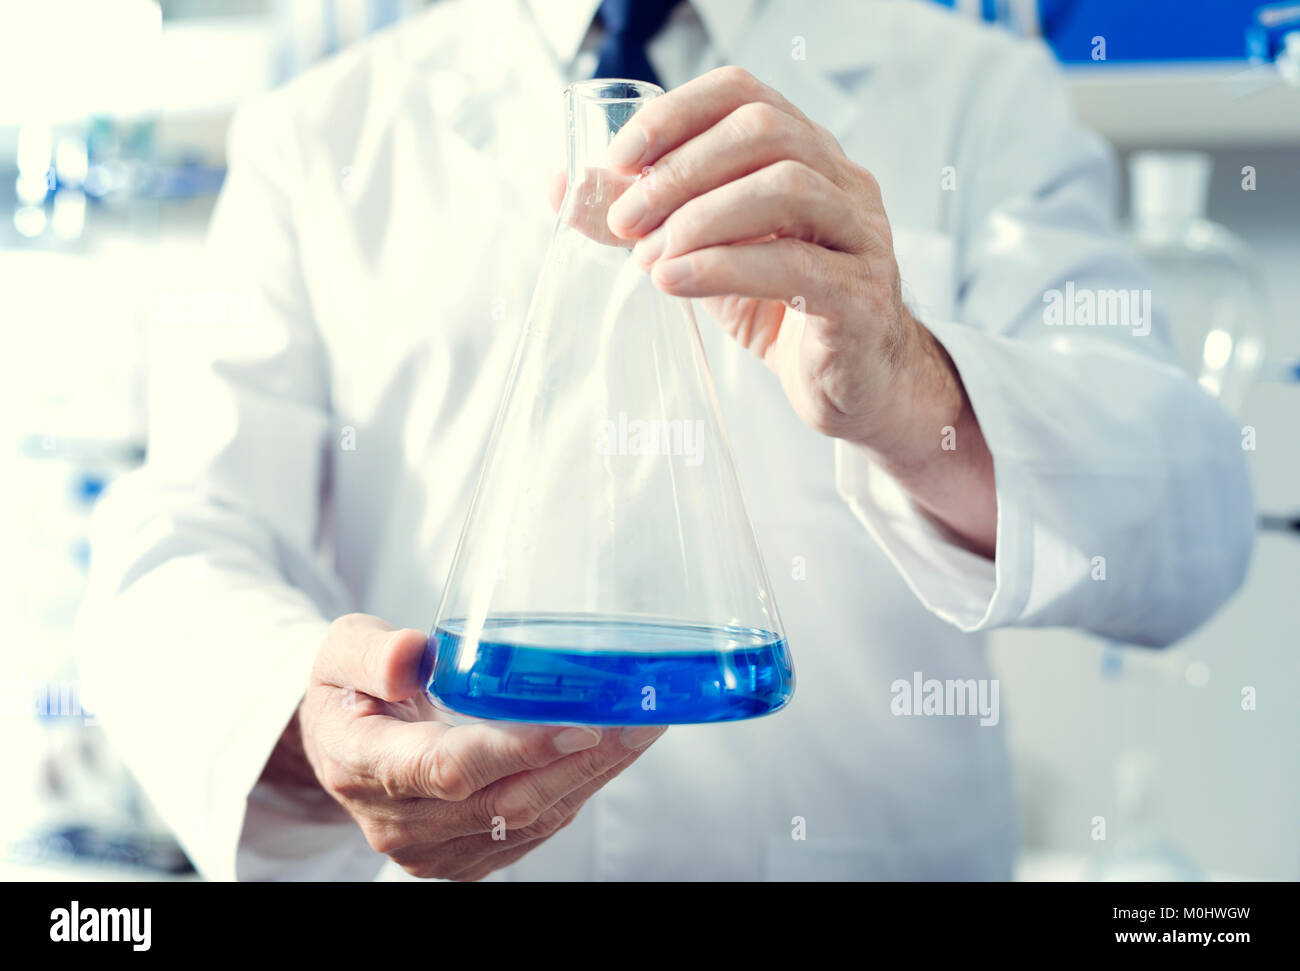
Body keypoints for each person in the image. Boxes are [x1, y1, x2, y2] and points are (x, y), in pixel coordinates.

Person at [77, 0, 1254, 881]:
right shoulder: (318, 132)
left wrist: (909, 383)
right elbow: (179, 538)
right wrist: (303, 721)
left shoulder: (974, 91)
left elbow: (1189, 518)